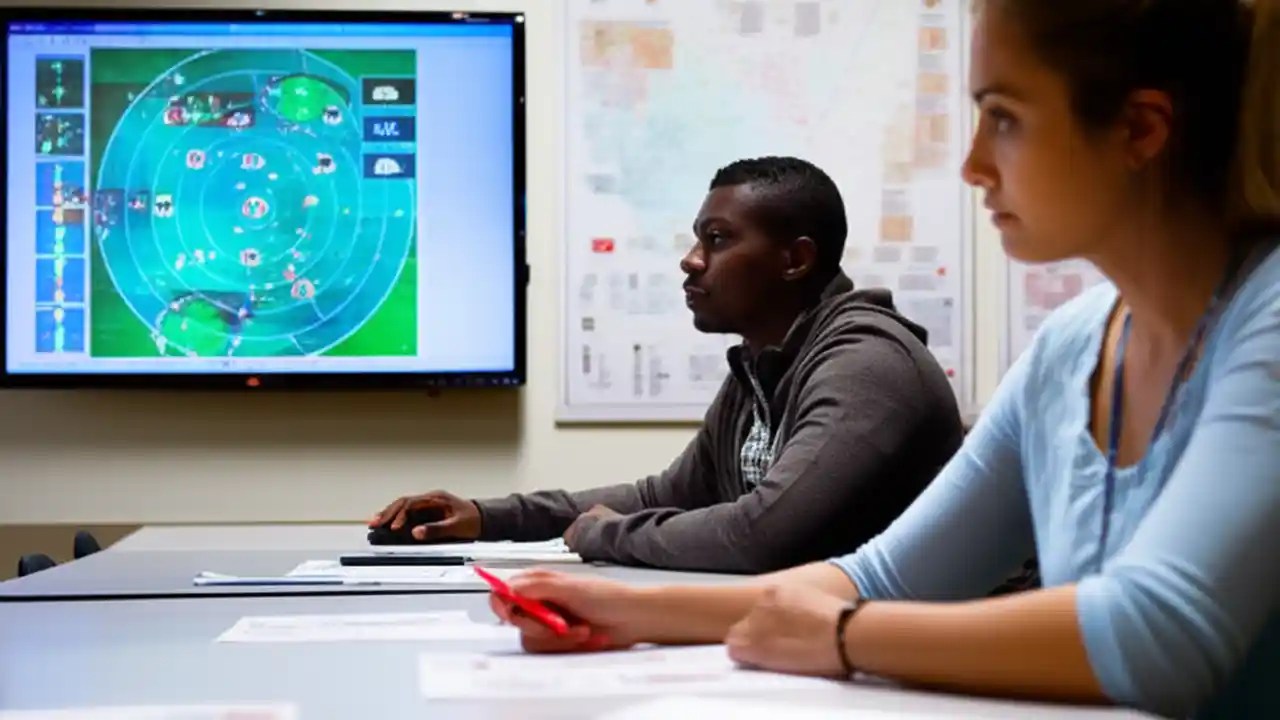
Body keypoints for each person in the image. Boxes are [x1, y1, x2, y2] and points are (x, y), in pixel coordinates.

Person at [488, 2, 1280, 718]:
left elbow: (1156, 638)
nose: (972, 164)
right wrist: (618, 611)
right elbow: (880, 577)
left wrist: (843, 636)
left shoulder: (1269, 318)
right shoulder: (1071, 347)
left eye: (1001, 118)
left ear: (1141, 130)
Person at [371, 156, 965, 574]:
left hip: (935, 671)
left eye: (718, 239)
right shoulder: (765, 364)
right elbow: (672, 493)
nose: (691, 260)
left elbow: (764, 534)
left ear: (794, 260)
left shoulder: (865, 364)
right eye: (697, 239)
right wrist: (485, 517)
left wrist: (607, 537)